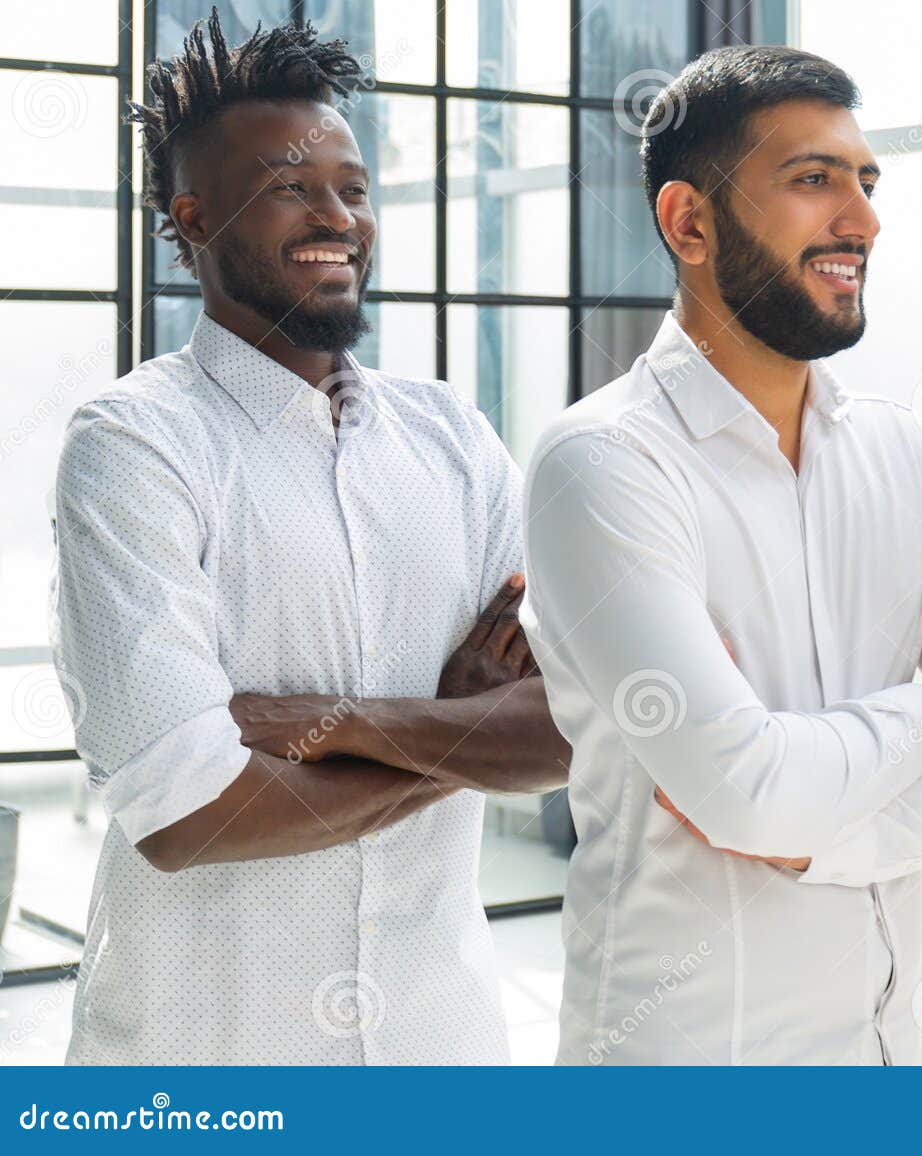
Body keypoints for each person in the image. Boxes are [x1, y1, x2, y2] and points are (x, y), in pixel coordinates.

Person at [520, 46, 922, 1065]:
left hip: (892, 1054)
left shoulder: (903, 451)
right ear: (689, 222)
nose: (860, 219)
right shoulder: (602, 464)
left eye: (865, 181)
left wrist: (839, 842)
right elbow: (744, 791)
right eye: (812, 180)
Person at [52, 11, 568, 1065]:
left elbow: (572, 728)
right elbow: (190, 813)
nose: (337, 214)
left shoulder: (456, 442)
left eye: (354, 185)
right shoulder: (132, 448)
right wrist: (457, 728)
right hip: (206, 1063)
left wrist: (331, 723)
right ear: (193, 219)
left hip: (442, 1048)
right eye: (291, 186)